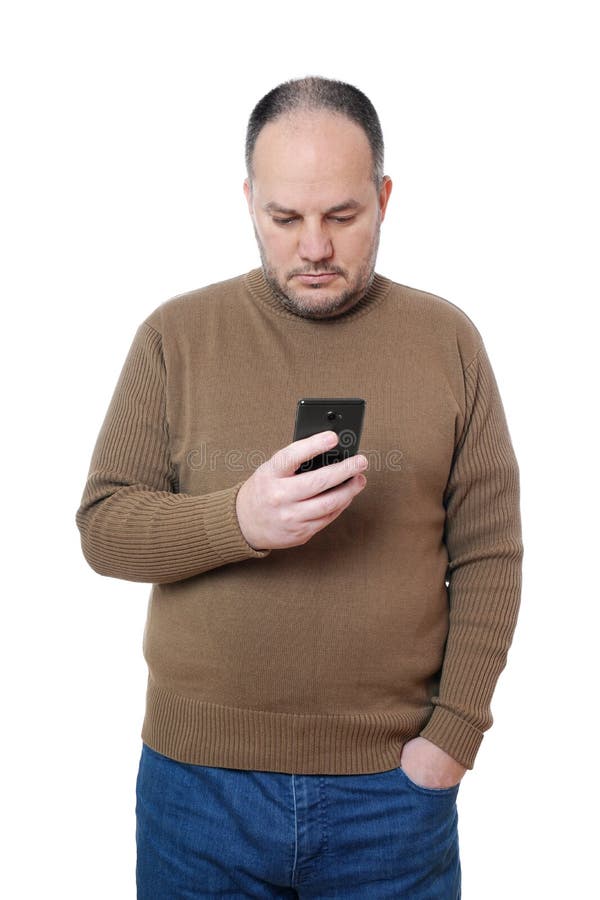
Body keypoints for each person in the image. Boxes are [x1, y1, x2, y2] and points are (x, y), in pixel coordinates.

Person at [76, 76, 523, 898]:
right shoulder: (177, 336)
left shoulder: (446, 339)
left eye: (342, 216)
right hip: (196, 787)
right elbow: (104, 527)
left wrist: (452, 739)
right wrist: (237, 521)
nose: (313, 246)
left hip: (391, 793)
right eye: (284, 218)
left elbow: (490, 554)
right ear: (249, 201)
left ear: (384, 198)